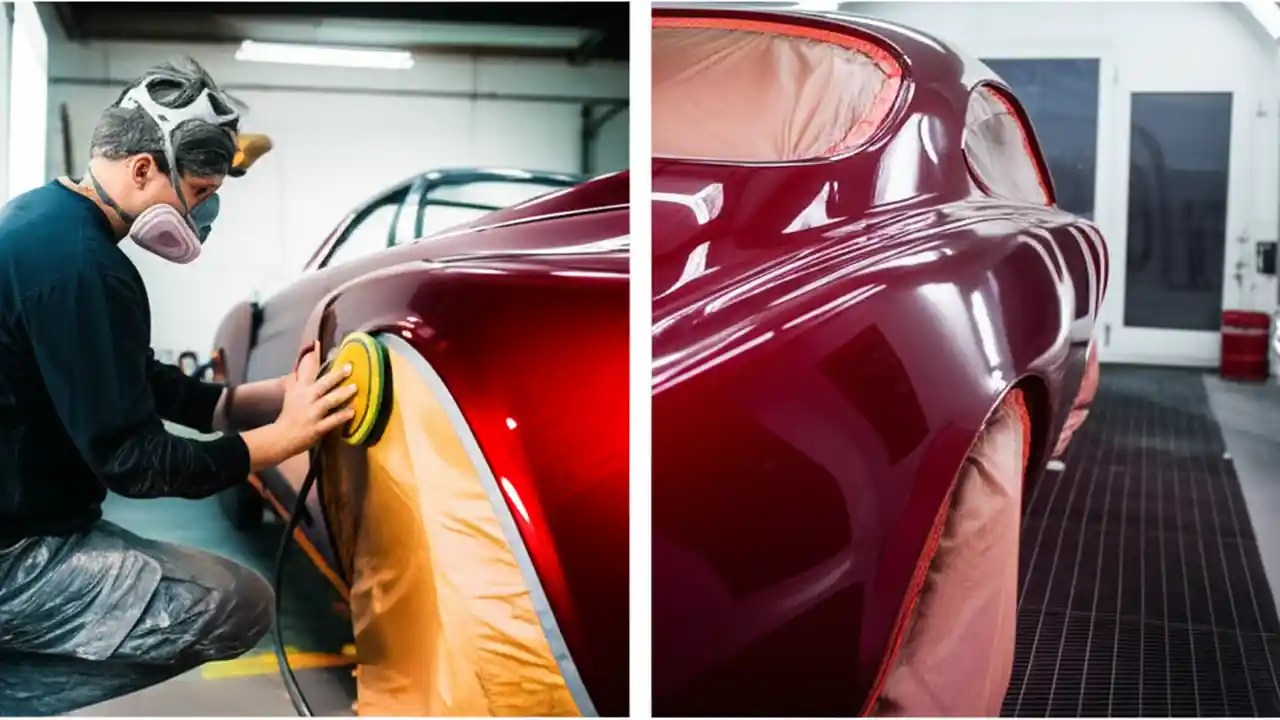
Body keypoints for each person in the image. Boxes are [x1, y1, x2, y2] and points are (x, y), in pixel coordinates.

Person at [0, 58, 355, 715]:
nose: (204, 212)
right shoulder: (88, 270)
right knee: (238, 605)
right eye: (198, 191)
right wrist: (281, 441)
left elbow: (123, 369)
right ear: (142, 169)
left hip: (19, 525)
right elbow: (138, 465)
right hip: (16, 558)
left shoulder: (41, 222)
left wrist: (254, 398)